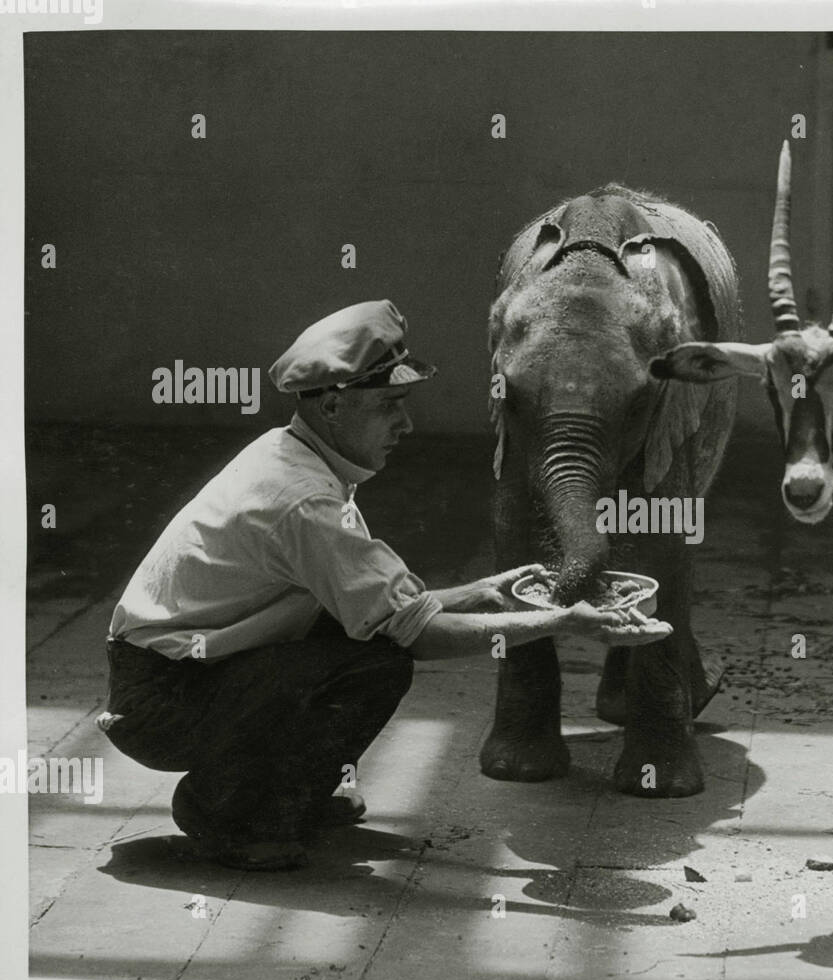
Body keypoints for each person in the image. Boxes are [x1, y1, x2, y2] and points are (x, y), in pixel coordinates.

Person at [98, 299, 668, 871]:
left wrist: (483, 589)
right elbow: (416, 633)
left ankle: (287, 792)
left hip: (180, 674)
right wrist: (562, 622)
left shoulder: (294, 457)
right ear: (334, 405)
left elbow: (381, 603)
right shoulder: (304, 502)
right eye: (390, 406)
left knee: (366, 639)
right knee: (377, 664)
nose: (407, 424)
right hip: (162, 703)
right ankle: (224, 810)